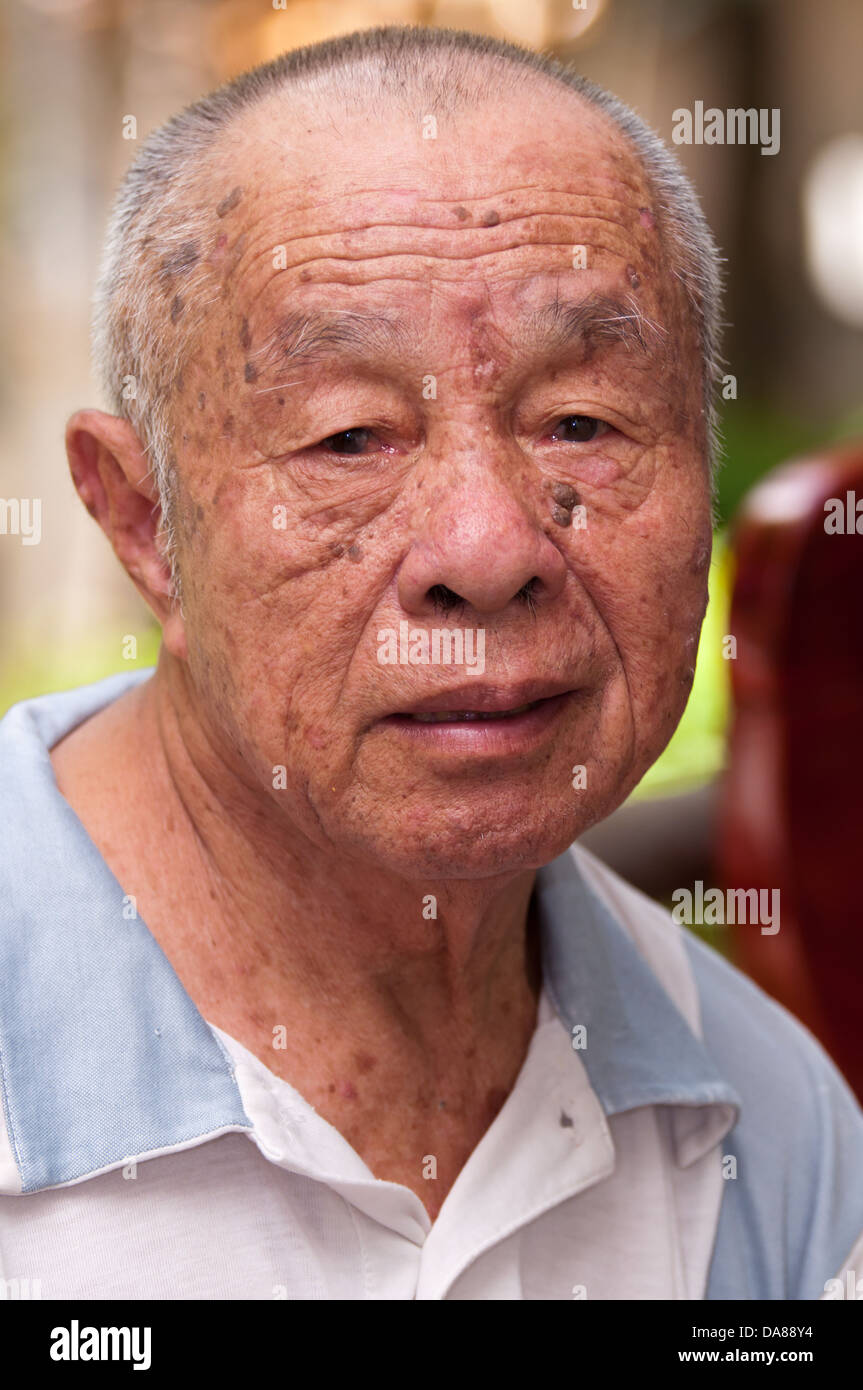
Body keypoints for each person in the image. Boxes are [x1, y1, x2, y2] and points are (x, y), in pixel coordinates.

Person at [1, 24, 860, 1300]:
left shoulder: (758, 1125)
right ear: (143, 523)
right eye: (349, 437)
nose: (485, 545)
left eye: (582, 421)